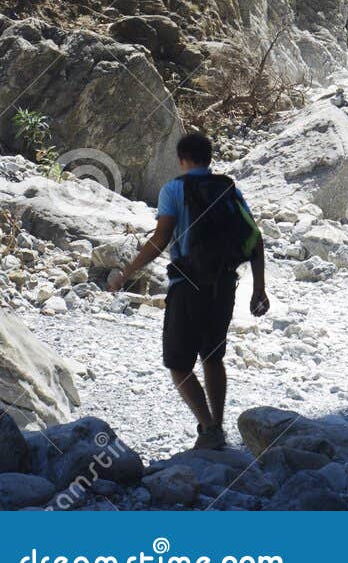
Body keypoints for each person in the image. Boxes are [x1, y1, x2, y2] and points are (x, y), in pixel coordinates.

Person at [107, 132, 268, 451]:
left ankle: (209, 429)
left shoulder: (174, 189)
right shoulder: (228, 189)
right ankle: (217, 426)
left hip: (187, 286)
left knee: (179, 363)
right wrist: (259, 289)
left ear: (181, 159)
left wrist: (126, 272)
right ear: (209, 159)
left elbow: (161, 238)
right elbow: (255, 239)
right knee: (213, 357)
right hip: (224, 285)